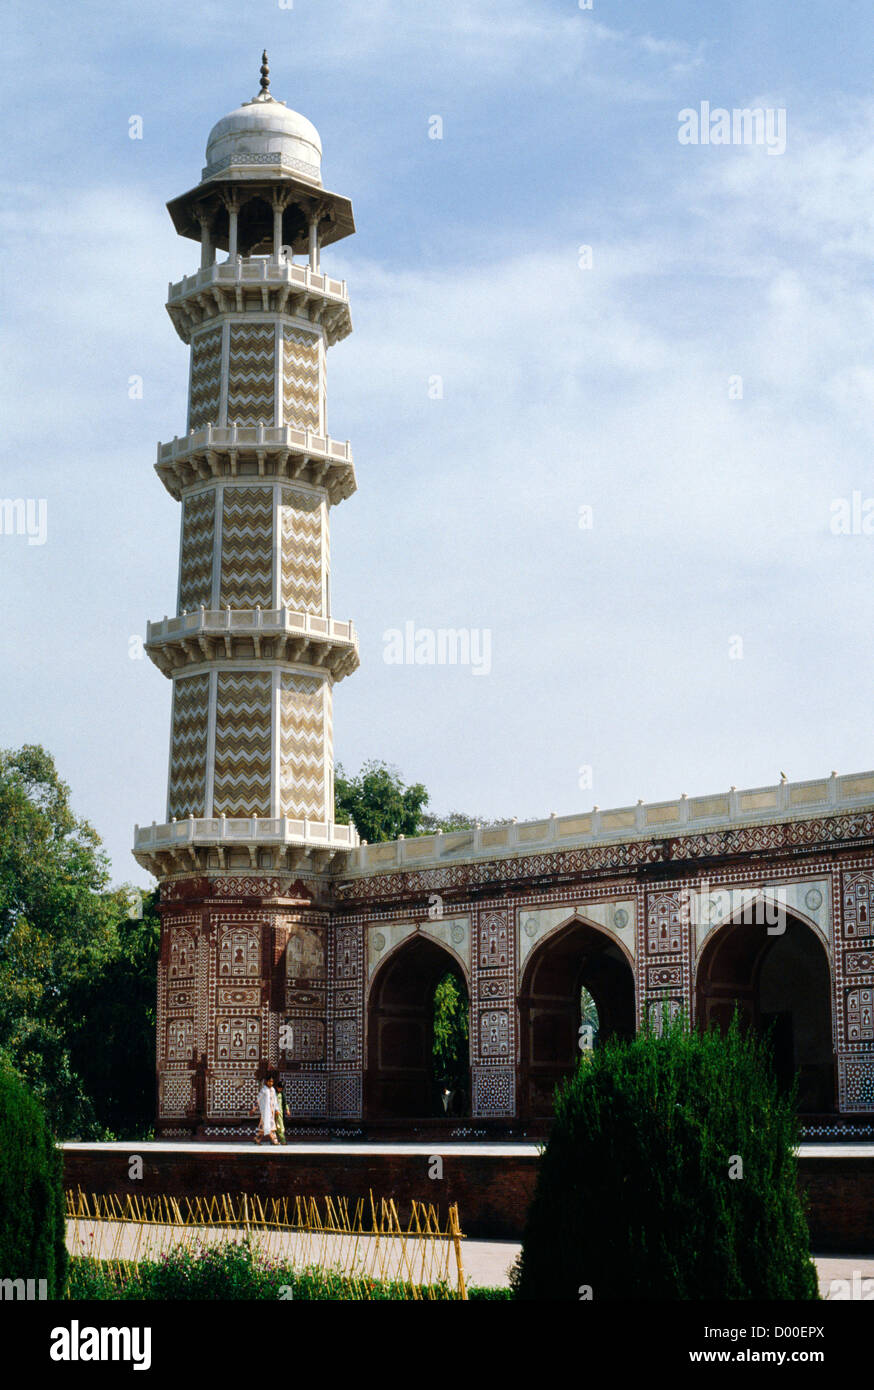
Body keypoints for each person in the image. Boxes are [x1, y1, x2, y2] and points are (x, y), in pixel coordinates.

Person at [251, 1073, 278, 1145]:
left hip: (271, 1112)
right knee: (269, 1126)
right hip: (265, 1112)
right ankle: (274, 1141)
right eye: (270, 1081)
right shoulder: (264, 1090)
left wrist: (277, 1109)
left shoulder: (273, 1090)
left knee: (264, 1127)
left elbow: (275, 1100)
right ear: (266, 1081)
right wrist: (254, 1109)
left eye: (272, 1081)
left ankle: (257, 1139)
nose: (271, 1083)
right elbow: (258, 1100)